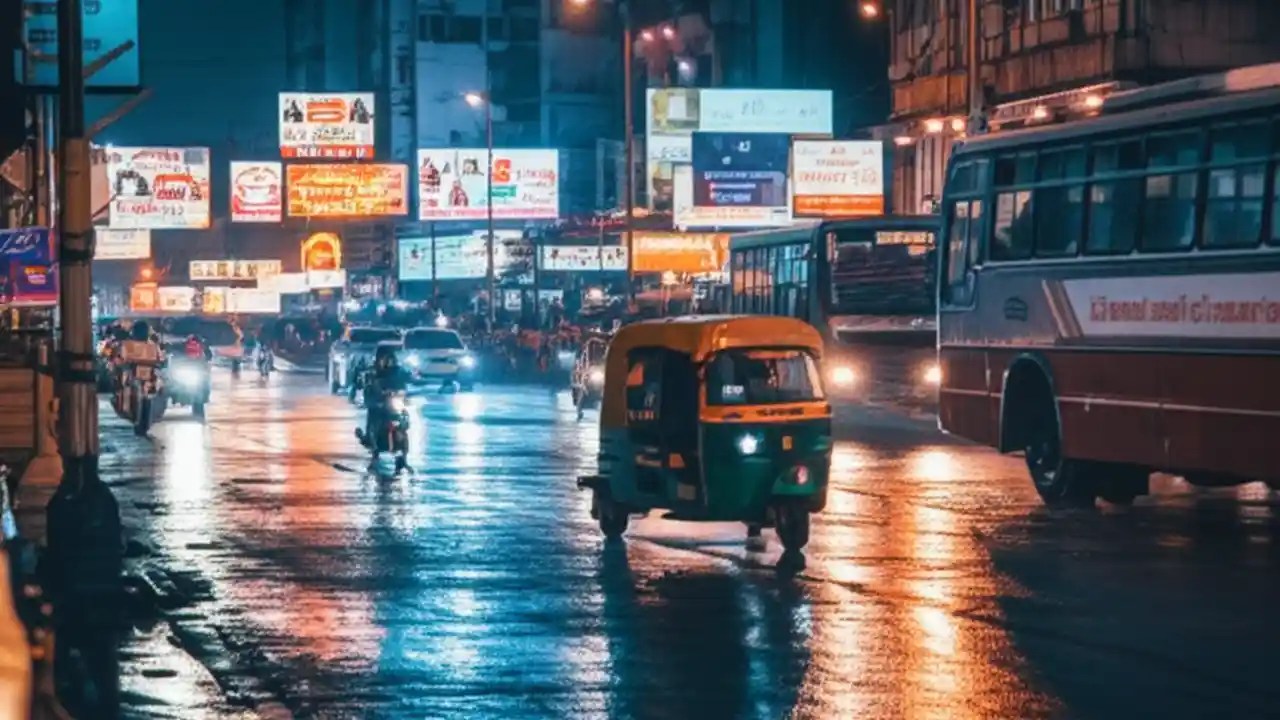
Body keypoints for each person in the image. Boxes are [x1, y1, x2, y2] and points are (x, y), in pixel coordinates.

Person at [362, 346, 408, 445]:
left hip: (392, 400)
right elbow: (369, 384)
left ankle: (402, 435)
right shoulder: (373, 371)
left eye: (390, 359)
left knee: (404, 414)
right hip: (378, 400)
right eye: (384, 358)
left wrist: (403, 391)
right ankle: (369, 437)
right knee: (373, 412)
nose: (387, 361)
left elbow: (405, 379)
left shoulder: (398, 370)